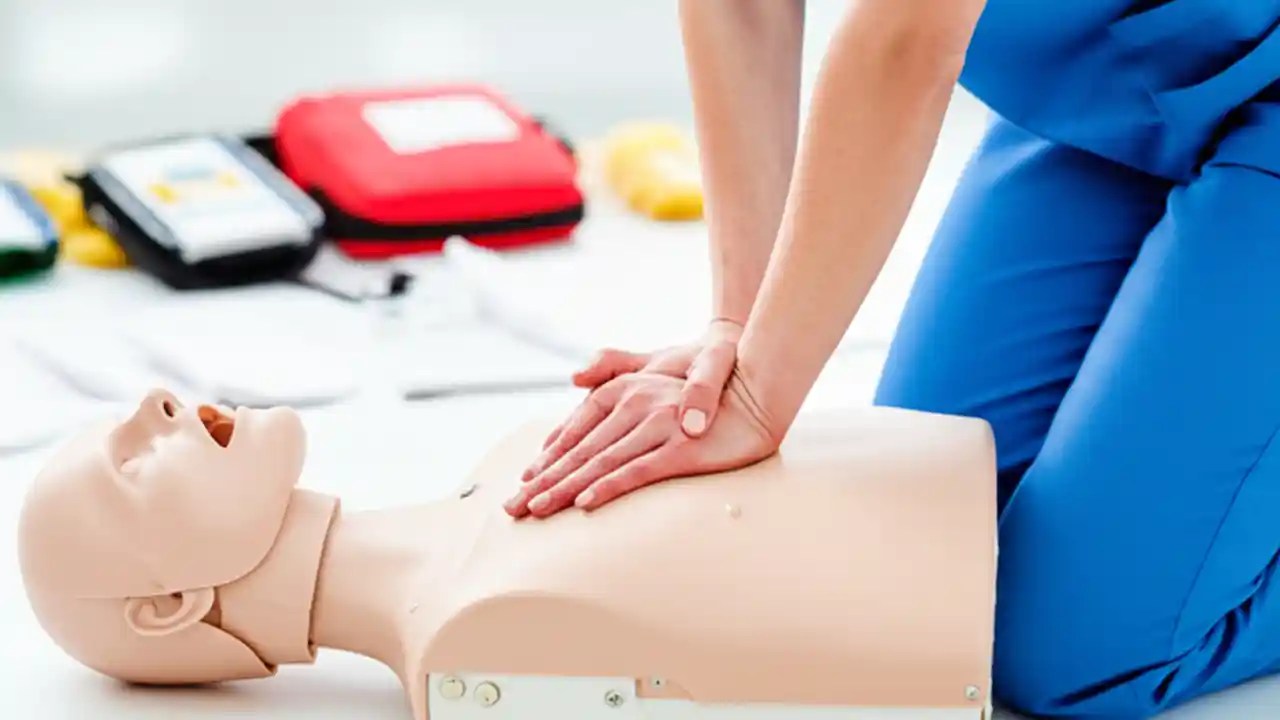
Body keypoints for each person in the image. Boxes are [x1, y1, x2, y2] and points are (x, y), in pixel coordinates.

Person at [503, 1, 1280, 717]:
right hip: (1112, 85)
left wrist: (757, 396)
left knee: (1080, 649)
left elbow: (905, 40)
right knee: (945, 544)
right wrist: (738, 330)